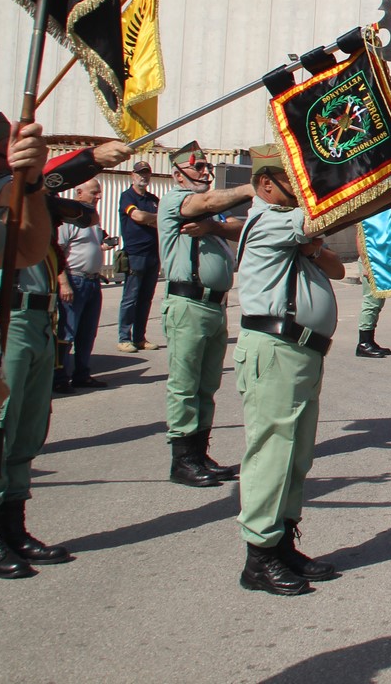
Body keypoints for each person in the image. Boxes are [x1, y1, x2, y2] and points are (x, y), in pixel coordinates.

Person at [233, 144, 346, 596]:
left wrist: (315, 250)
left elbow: (336, 269)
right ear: (266, 184)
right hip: (275, 349)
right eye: (293, 181)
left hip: (301, 352)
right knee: (272, 454)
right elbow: (324, 217)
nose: (303, 188)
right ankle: (258, 556)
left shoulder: (294, 233)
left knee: (296, 456)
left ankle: (281, 541)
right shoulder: (267, 222)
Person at [0, 117, 63, 580]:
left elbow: (35, 240)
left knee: (29, 425)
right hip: (2, 315)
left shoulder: (24, 190)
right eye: (2, 145)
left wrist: (32, 181)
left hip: (37, 316)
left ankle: (14, 520)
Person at [157, 142, 254, 488]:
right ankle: (182, 459)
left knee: (206, 384)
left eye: (205, 168)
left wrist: (214, 228)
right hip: (188, 303)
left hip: (214, 305)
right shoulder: (176, 201)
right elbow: (207, 203)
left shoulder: (207, 218)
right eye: (197, 168)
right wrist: (251, 187)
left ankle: (199, 452)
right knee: (184, 384)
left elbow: (240, 227)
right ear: (178, 173)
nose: (203, 174)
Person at [54, 180, 112, 393]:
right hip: (75, 282)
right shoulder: (69, 220)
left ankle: (82, 374)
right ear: (79, 192)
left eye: (99, 192)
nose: (98, 197)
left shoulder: (91, 219)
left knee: (87, 333)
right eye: (94, 192)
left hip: (93, 282)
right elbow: (58, 252)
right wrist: (64, 283)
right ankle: (59, 377)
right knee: (68, 332)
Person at [116, 160, 162, 353]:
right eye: (139, 173)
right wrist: (150, 219)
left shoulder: (153, 199)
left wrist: (149, 219)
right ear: (132, 176)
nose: (143, 177)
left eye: (146, 173)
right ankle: (124, 337)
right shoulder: (127, 197)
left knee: (146, 299)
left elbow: (163, 221)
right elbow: (138, 217)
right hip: (135, 254)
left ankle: (139, 337)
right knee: (130, 298)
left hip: (153, 254)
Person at [354, 226, 391, 357]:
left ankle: (370, 341)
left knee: (377, 303)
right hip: (372, 262)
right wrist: (366, 264)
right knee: (372, 302)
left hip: (380, 261)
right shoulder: (369, 214)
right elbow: (360, 237)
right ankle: (364, 343)